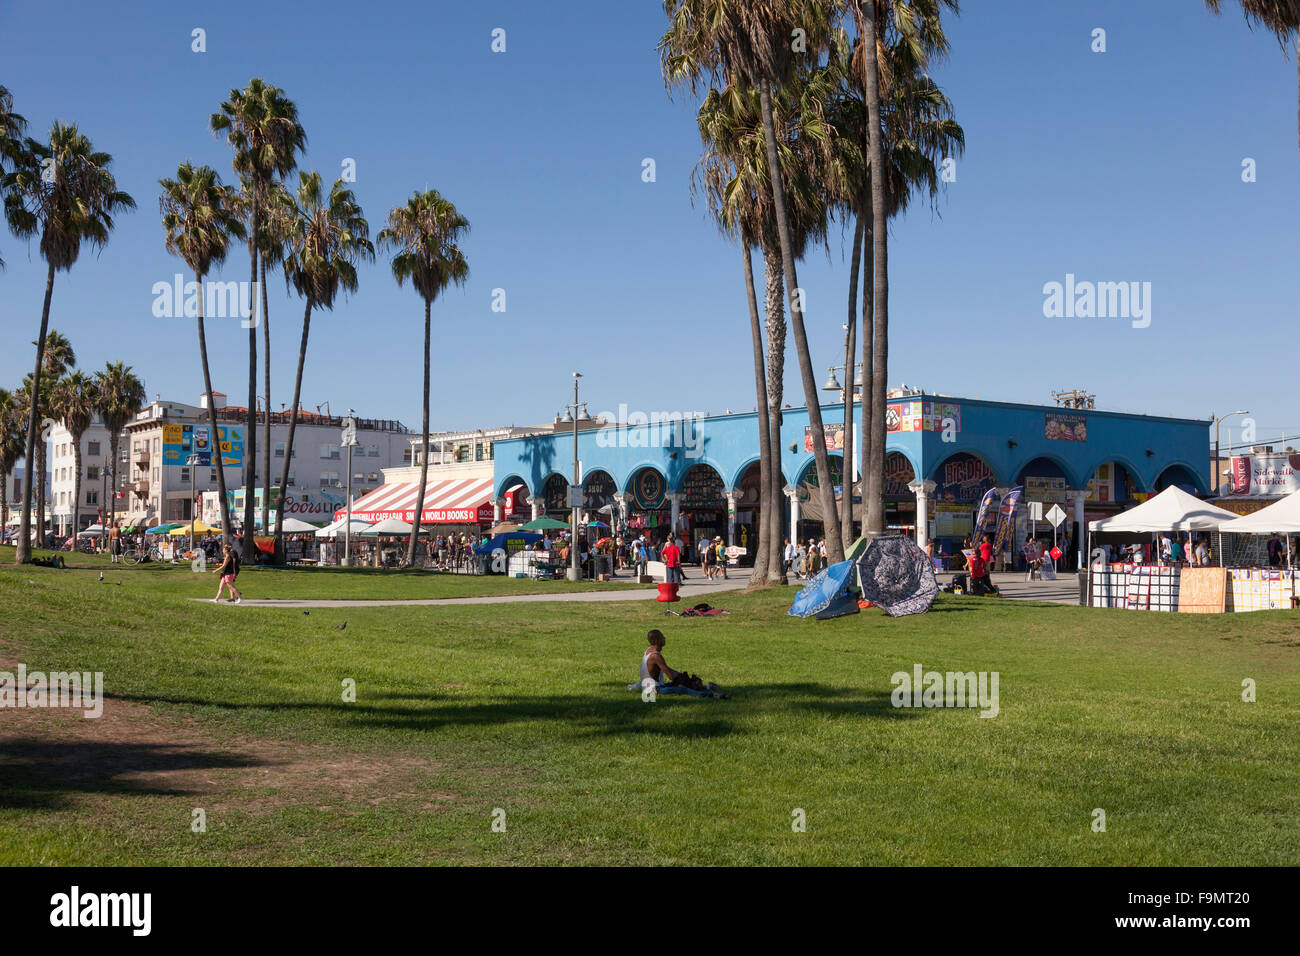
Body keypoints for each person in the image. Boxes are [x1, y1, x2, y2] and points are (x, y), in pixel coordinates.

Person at [639, 629, 725, 698]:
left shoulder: (649, 650)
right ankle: (709, 695)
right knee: (683, 688)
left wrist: (678, 674)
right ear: (657, 640)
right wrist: (681, 678)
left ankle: (707, 687)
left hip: (654, 686)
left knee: (683, 682)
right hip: (654, 690)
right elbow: (671, 677)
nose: (664, 638)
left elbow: (666, 668)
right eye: (662, 637)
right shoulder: (656, 656)